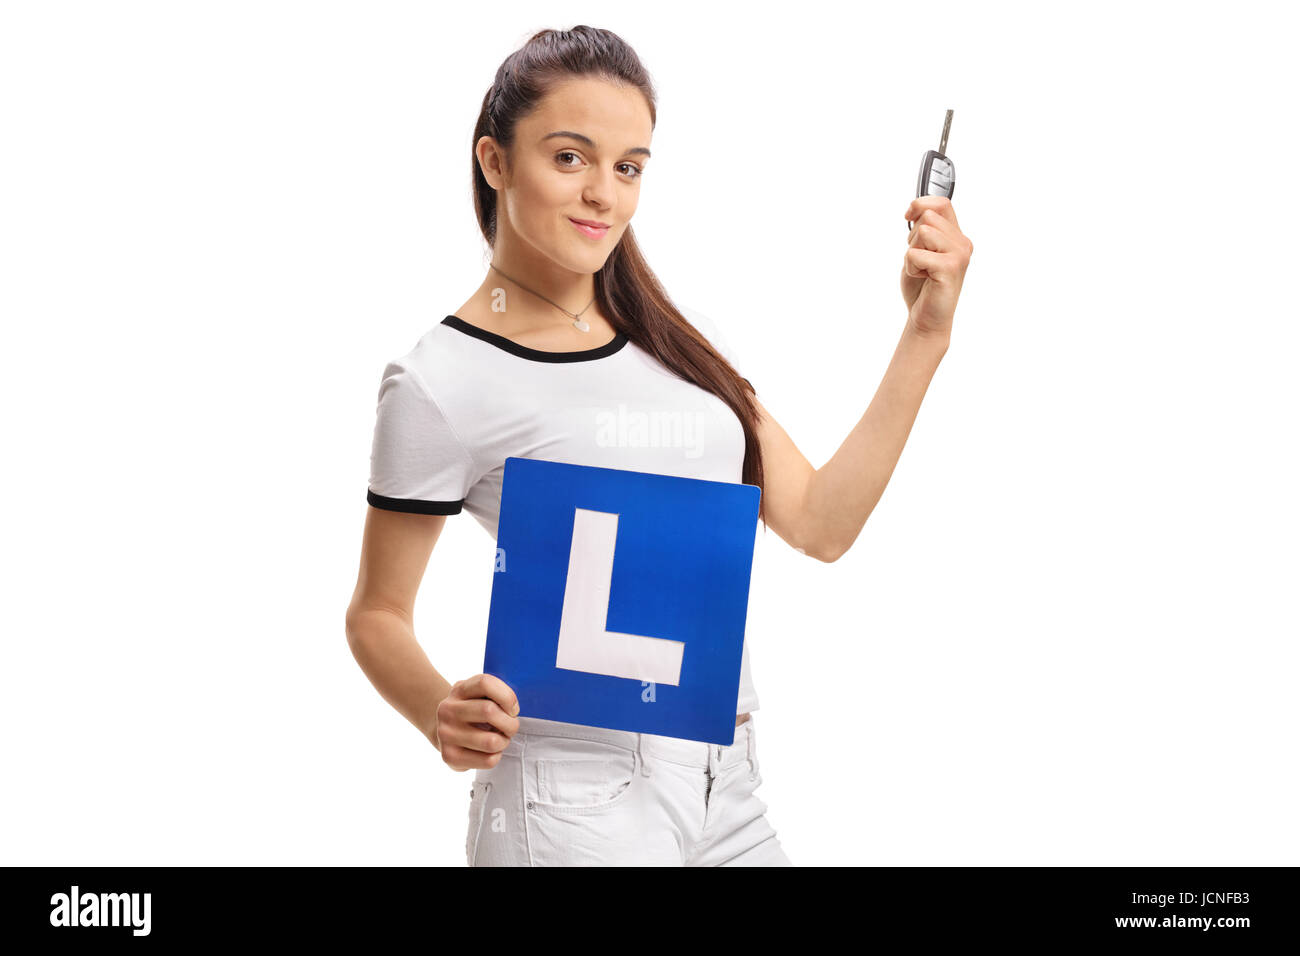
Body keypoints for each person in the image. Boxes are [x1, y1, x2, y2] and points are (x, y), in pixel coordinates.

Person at [344, 25, 973, 867]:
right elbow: (376, 612)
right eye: (570, 157)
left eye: (628, 166)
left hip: (727, 782)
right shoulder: (441, 380)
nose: (604, 193)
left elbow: (822, 523)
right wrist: (434, 709)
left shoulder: (680, 340)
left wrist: (925, 335)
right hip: (571, 800)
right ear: (494, 162)